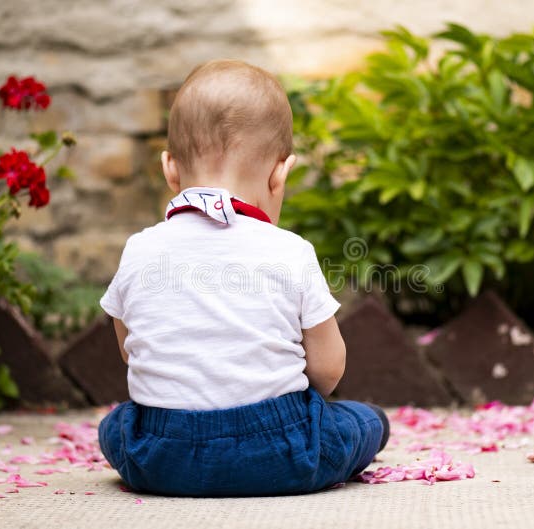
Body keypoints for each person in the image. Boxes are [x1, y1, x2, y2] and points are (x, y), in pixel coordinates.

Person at [97, 59, 389, 497]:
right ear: (280, 174)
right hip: (282, 453)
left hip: (159, 456)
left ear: (169, 169)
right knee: (364, 422)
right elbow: (328, 369)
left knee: (116, 425)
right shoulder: (291, 251)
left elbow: (130, 350)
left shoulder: (140, 249)